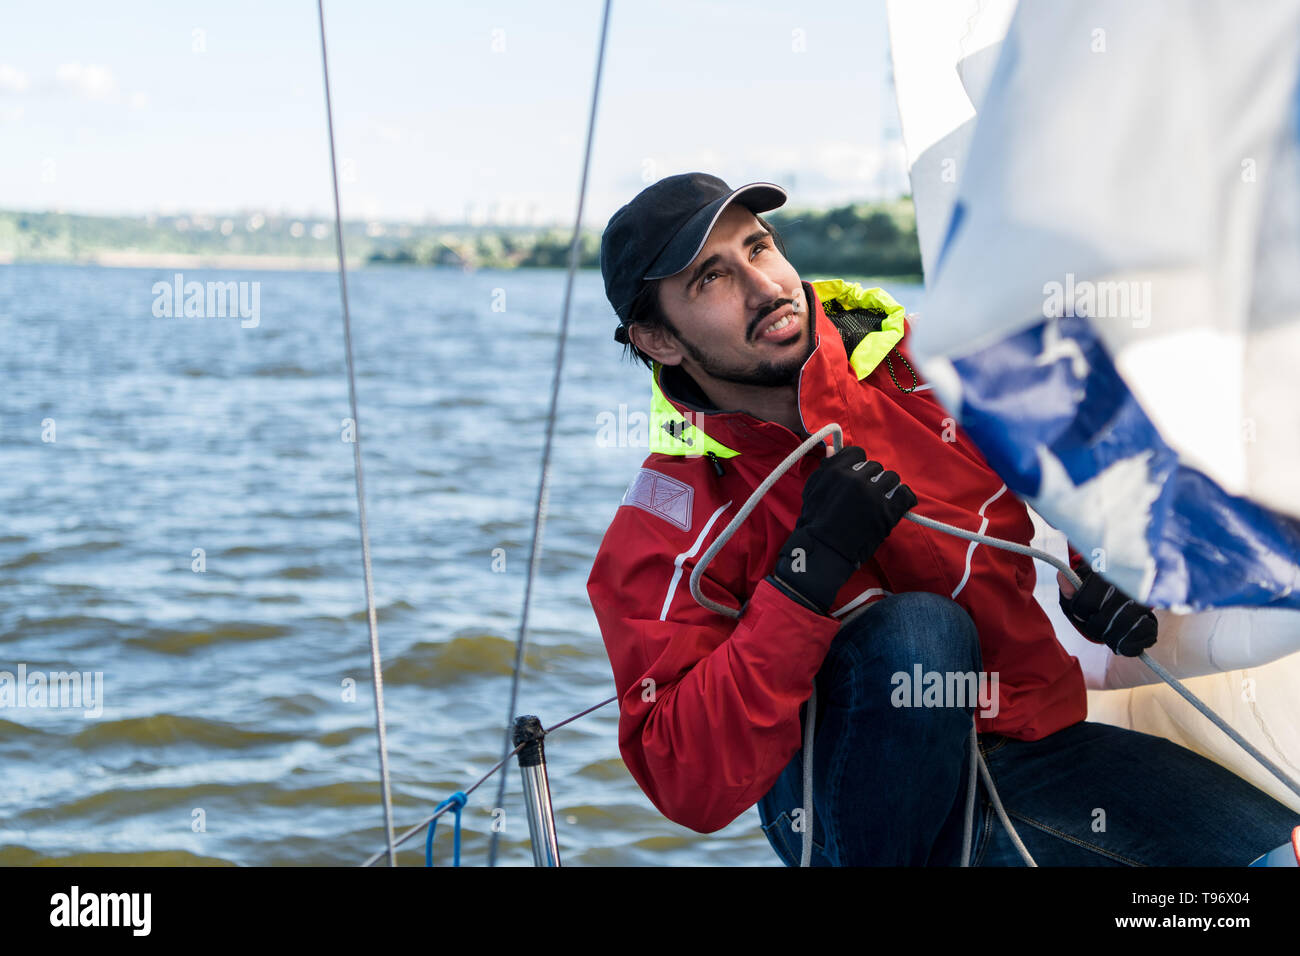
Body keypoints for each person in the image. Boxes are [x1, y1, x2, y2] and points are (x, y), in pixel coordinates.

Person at [586, 172, 1300, 866]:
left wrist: (1103, 569)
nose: (765, 286)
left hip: (1031, 747)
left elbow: (1102, 467)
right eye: (710, 279)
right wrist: (803, 581)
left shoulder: (934, 368)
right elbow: (683, 777)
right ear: (659, 342)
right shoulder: (675, 513)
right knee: (920, 630)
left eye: (759, 246)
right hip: (851, 814)